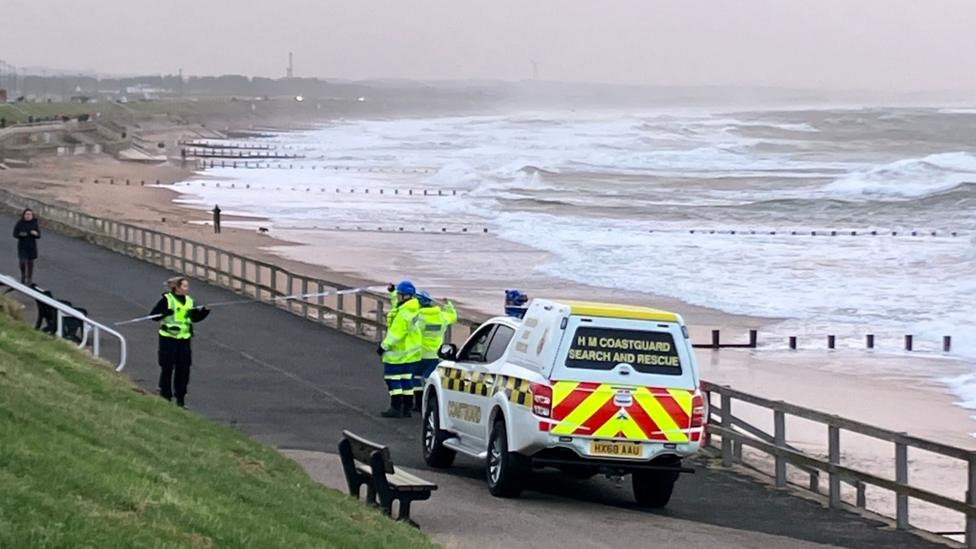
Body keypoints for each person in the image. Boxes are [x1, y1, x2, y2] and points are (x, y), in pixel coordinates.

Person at [149, 277, 210, 408]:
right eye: (185, 287)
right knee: (167, 367)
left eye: (187, 287)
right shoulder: (167, 300)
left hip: (184, 339)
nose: (187, 289)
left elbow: (194, 318)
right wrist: (164, 313)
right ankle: (165, 395)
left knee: (183, 369)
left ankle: (180, 398)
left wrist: (204, 312)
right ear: (177, 288)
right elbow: (153, 316)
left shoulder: (189, 301)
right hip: (168, 338)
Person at [376, 280, 424, 418]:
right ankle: (407, 408)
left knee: (392, 380)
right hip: (410, 353)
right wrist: (392, 292)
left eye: (398, 295)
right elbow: (397, 306)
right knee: (406, 380)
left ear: (404, 296)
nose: (397, 297)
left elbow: (396, 334)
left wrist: (383, 346)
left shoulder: (403, 315)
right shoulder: (412, 308)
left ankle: (396, 407)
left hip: (397, 353)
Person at [412, 290, 457, 411]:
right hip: (433, 354)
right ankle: (428, 403)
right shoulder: (441, 316)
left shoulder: (417, 317)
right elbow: (453, 316)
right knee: (429, 380)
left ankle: (418, 403)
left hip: (417, 353)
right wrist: (448, 305)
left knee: (415, 378)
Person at [12, 209, 40, 284]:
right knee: (22, 262)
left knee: (30, 263)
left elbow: (39, 235)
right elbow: (14, 234)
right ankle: (23, 275)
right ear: (24, 215)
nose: (28, 216)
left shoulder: (34, 224)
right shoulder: (20, 223)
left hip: (31, 246)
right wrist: (22, 234)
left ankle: (29, 277)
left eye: (30, 214)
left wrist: (35, 233)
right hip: (22, 246)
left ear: (32, 215)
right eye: (27, 214)